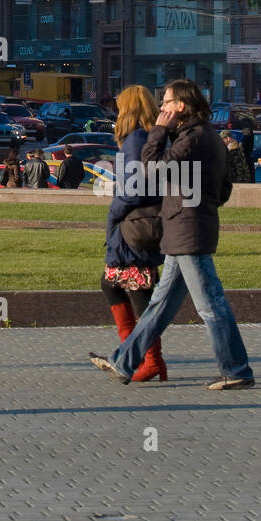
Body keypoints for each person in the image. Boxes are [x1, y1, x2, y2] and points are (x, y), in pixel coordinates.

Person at [90, 78, 255, 391]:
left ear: (181, 105)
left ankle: (237, 369)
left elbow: (150, 167)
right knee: (159, 307)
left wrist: (159, 132)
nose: (161, 108)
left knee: (210, 305)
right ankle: (125, 362)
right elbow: (223, 190)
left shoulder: (191, 138)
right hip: (185, 230)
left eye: (165, 102)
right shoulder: (204, 137)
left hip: (187, 232)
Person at [101, 84, 167, 382]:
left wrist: (114, 213)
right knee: (115, 284)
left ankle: (148, 359)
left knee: (137, 289)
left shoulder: (134, 141)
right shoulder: (152, 137)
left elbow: (131, 190)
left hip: (133, 224)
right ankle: (139, 356)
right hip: (147, 222)